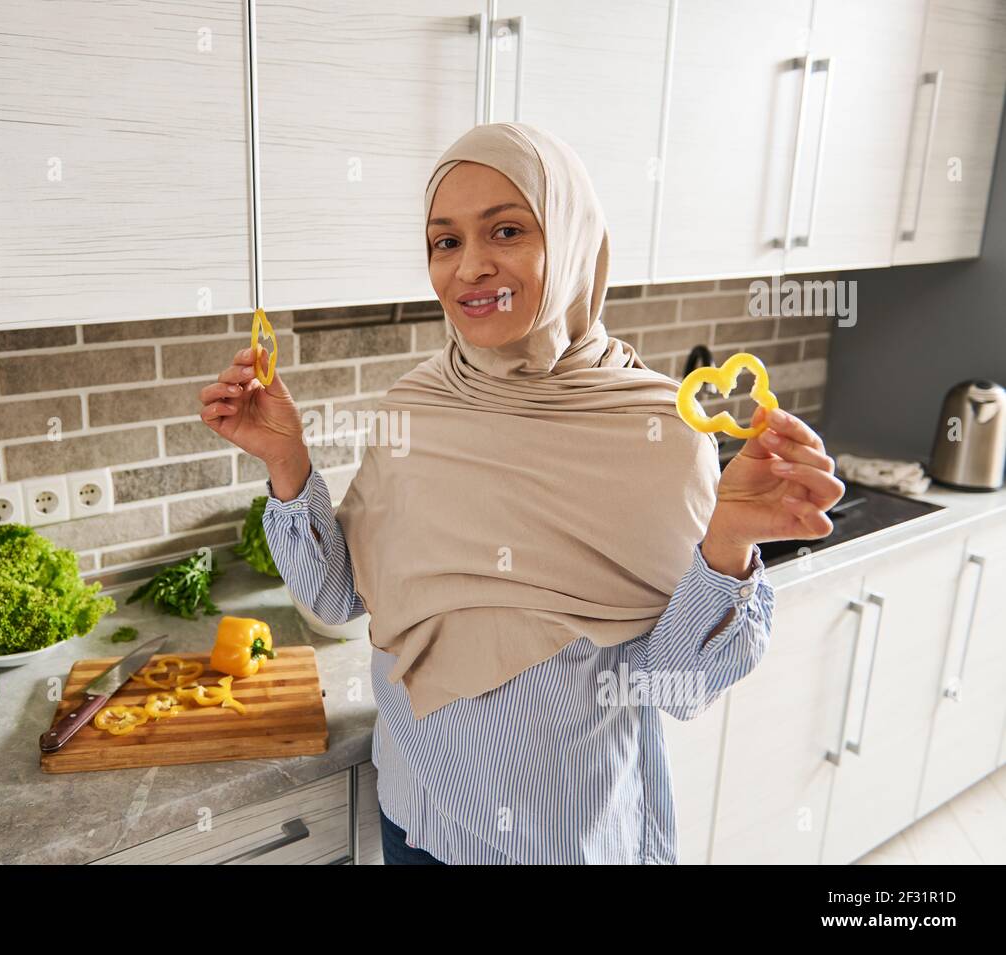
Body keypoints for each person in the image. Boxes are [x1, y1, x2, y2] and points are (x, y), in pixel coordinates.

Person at [199, 122, 844, 864]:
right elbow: (337, 598)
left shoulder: (659, 433)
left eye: (506, 230)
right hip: (414, 815)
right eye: (445, 241)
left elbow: (677, 686)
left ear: (570, 239)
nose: (471, 266)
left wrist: (729, 543)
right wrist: (286, 460)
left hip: (561, 842)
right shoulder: (415, 410)